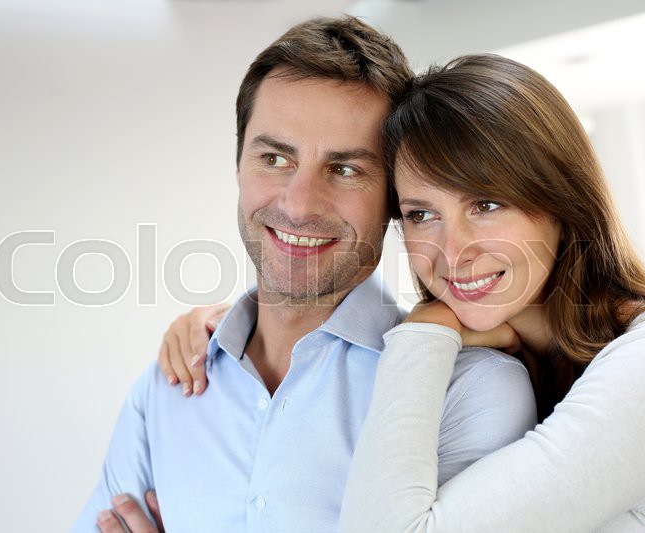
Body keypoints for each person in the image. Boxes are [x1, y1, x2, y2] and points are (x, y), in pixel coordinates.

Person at [74, 19, 537, 533]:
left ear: (393, 201)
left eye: (344, 170)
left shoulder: (470, 390)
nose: (298, 204)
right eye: (274, 158)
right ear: (238, 168)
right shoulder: (165, 387)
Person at [337, 54, 645, 531]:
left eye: (485, 204)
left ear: (562, 201)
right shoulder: (500, 364)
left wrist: (427, 330)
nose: (452, 251)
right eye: (420, 214)